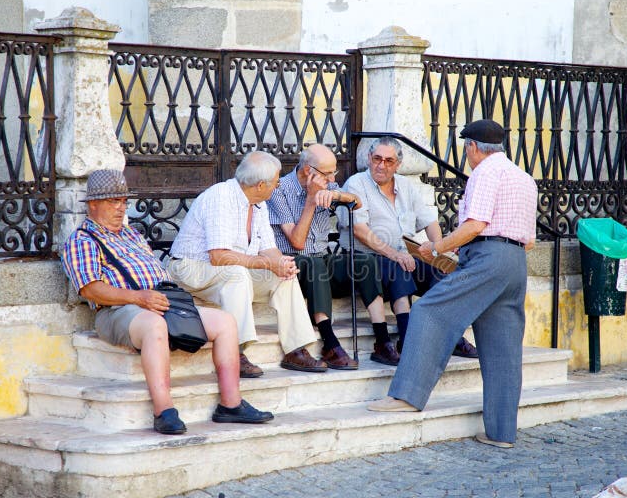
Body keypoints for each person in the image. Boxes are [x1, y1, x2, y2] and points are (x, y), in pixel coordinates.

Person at [61, 169, 273, 435]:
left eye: (123, 202)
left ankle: (231, 404)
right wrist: (139, 297)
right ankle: (164, 411)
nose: (121, 208)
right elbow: (91, 290)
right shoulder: (82, 240)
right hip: (119, 310)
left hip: (160, 300)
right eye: (114, 201)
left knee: (225, 322)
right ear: (94, 204)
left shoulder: (132, 235)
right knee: (154, 326)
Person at [367, 119, 538, 449]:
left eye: (466, 148)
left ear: (473, 147)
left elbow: (476, 224)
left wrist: (437, 247)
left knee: (429, 311)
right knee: (503, 348)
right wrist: (475, 245)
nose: (466, 154)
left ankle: (406, 396)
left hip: (489, 259)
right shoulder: (523, 178)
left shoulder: (485, 173)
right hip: (515, 263)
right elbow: (527, 240)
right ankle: (501, 433)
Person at [167, 151, 327, 376]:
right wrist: (265, 263)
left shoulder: (259, 203)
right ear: (261, 185)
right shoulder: (221, 197)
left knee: (285, 277)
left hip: (228, 270)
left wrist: (281, 263)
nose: (278, 186)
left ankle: (296, 350)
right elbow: (219, 256)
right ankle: (236, 351)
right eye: (276, 182)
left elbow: (269, 249)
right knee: (238, 274)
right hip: (191, 268)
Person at [338, 137, 478, 364]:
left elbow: (429, 222)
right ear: (368, 159)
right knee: (398, 270)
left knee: (441, 275)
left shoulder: (405, 186)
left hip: (404, 256)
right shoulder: (356, 184)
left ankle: (450, 336)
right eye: (376, 159)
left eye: (388, 161)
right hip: (368, 258)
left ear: (397, 165)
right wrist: (395, 255)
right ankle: (407, 339)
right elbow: (359, 230)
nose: (381, 165)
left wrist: (438, 252)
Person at [267, 143, 396, 370]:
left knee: (365, 261)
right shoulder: (279, 191)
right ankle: (329, 342)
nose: (332, 177)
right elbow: (296, 242)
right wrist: (311, 199)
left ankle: (382, 341)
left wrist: (336, 194)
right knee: (314, 263)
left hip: (322, 258)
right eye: (328, 173)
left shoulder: (328, 183)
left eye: (333, 172)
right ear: (309, 171)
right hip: (293, 263)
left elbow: (357, 202)